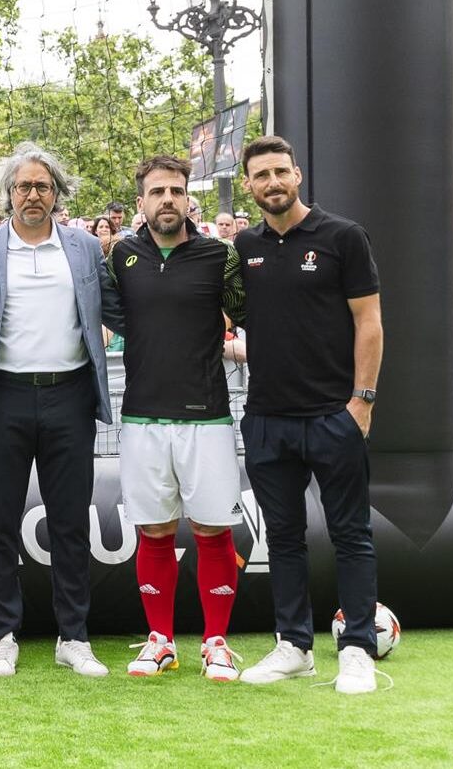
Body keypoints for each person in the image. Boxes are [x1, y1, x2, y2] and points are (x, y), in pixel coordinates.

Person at [0, 142, 121, 680]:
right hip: (1, 398)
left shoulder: (86, 248)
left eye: (42, 186)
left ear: (57, 193)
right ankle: (2, 637)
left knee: (71, 522)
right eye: (23, 186)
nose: (32, 194)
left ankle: (74, 637)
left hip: (70, 396)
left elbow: (118, 307)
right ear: (8, 195)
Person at [232, 135, 384, 696]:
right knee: (284, 538)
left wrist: (361, 402)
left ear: (297, 175)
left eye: (279, 172)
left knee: (352, 536)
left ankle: (358, 649)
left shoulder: (343, 236)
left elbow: (369, 322)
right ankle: (294, 645)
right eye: (260, 176)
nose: (271, 183)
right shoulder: (243, 246)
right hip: (268, 417)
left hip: (332, 415)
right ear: (248, 186)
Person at [107, 154, 248, 681]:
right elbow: (108, 316)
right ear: (141, 201)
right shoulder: (121, 257)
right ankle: (161, 641)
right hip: (142, 417)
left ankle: (216, 643)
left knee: (213, 531)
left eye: (176, 190)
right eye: (157, 191)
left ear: (190, 198)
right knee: (154, 530)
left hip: (206, 416)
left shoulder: (219, 255)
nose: (168, 199)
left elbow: (249, 312)